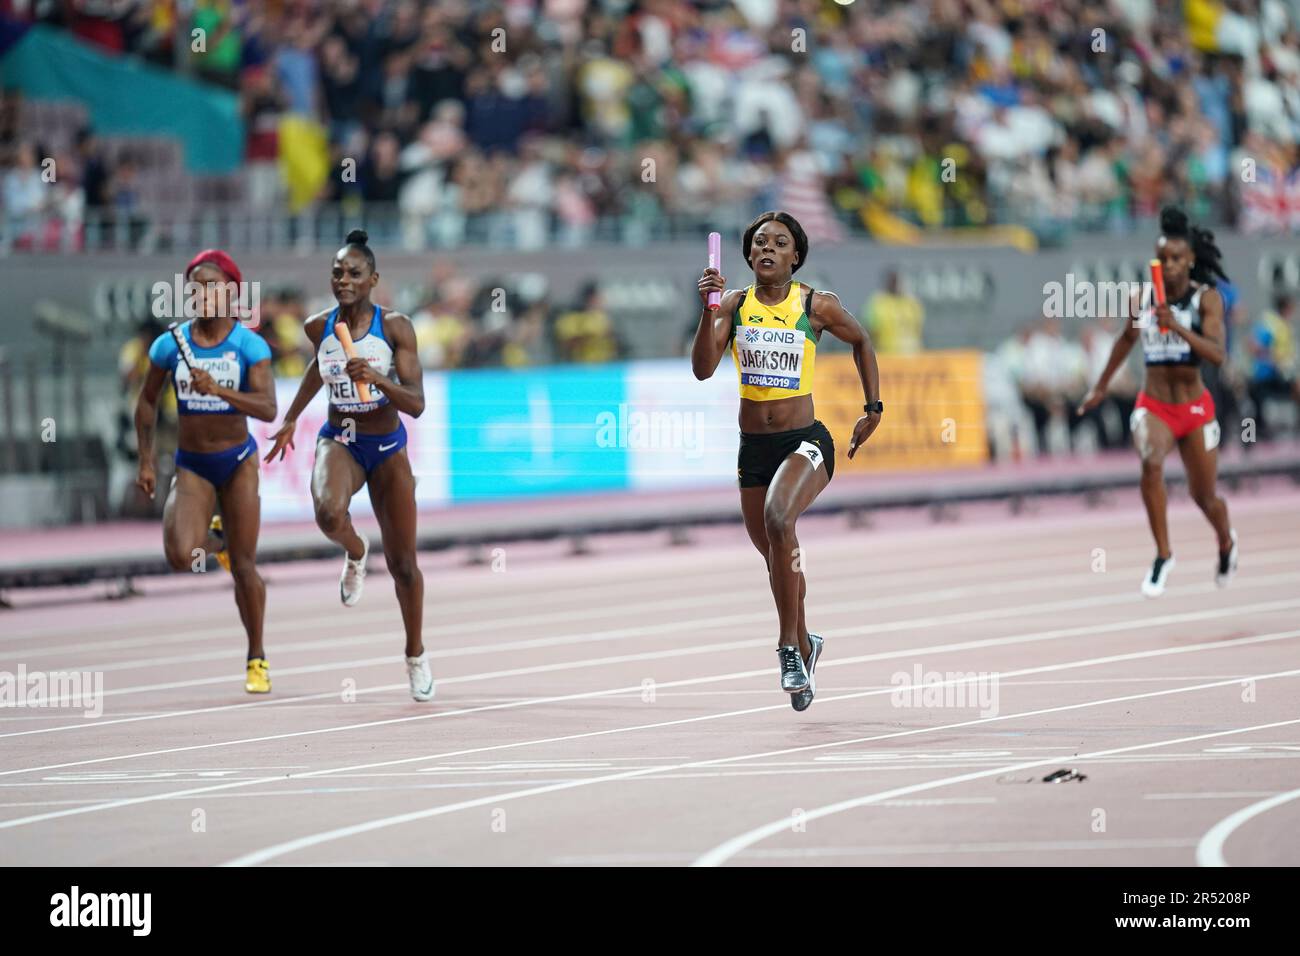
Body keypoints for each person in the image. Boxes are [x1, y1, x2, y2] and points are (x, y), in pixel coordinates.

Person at [692, 211, 882, 712]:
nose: (768, 249)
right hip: (752, 449)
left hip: (806, 442)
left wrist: (873, 408)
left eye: (779, 242)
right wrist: (708, 310)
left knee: (780, 519)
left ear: (795, 256)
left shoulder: (816, 305)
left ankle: (787, 651)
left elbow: (862, 340)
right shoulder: (733, 305)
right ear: (749, 255)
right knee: (777, 554)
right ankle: (807, 640)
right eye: (759, 243)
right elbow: (703, 369)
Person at [263, 230, 433, 701]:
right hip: (341, 439)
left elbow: (416, 403)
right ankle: (356, 552)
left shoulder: (396, 327)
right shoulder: (319, 326)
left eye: (354, 273)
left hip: (386, 449)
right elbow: (320, 368)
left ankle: (415, 654)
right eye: (337, 272)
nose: (343, 279)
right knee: (327, 513)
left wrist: (376, 378)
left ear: (373, 279)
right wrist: (293, 417)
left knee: (403, 567)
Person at [134, 250, 276, 692]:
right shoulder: (170, 344)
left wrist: (219, 390)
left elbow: (268, 408)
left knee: (246, 567)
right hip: (192, 465)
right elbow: (146, 401)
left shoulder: (248, 345)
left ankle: (256, 657)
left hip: (237, 463)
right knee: (180, 555)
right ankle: (220, 542)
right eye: (195, 286)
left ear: (232, 292)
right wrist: (145, 459)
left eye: (212, 285)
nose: (203, 293)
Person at [1079, 207, 1237, 597]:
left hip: (1195, 409)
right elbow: (1125, 341)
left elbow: (1218, 354)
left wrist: (1177, 326)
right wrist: (1100, 386)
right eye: (1162, 258)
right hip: (1155, 405)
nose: (1168, 265)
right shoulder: (1143, 298)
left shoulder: (1207, 300)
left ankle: (1225, 541)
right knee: (1151, 462)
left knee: (1205, 497)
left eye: (1176, 259)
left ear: (1191, 260)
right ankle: (1164, 554)